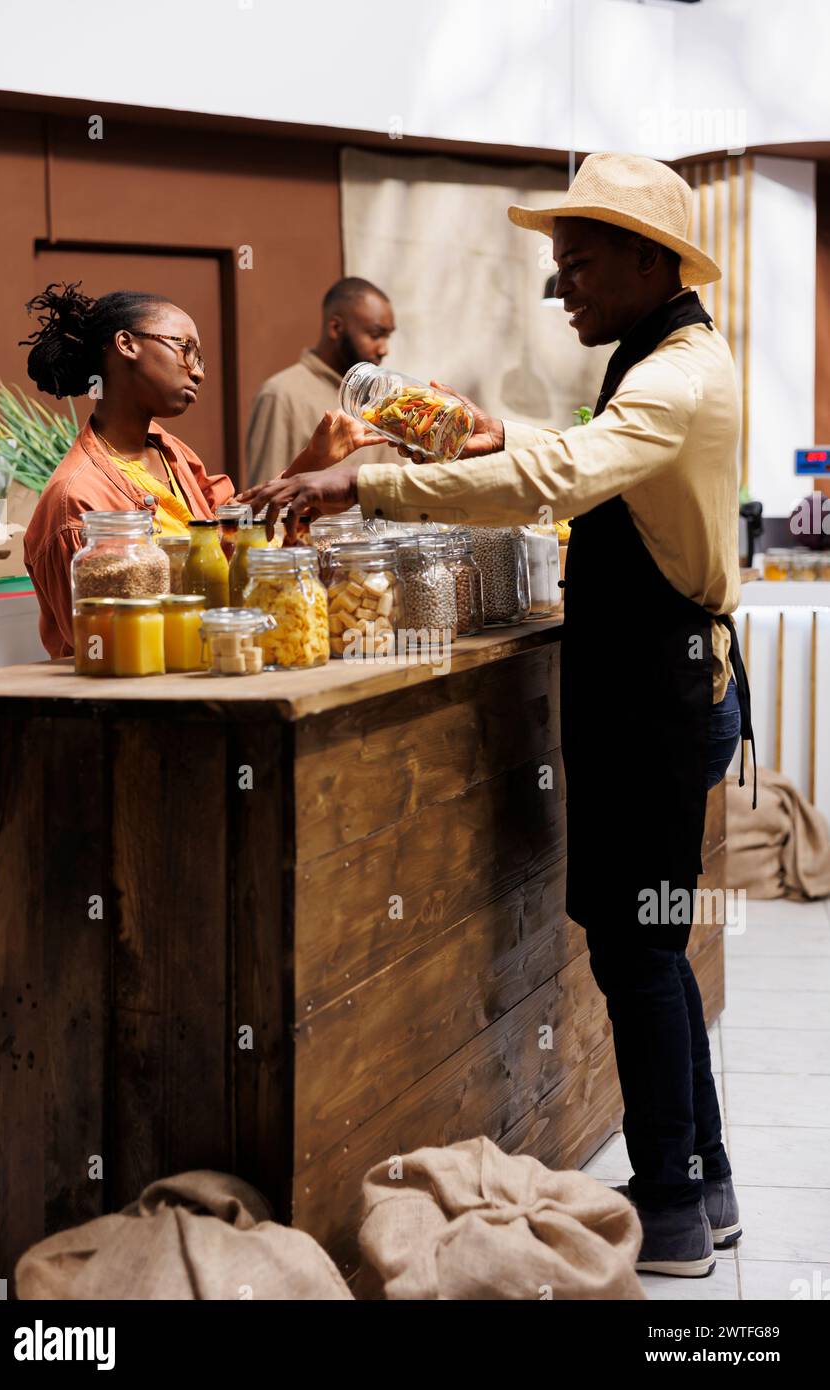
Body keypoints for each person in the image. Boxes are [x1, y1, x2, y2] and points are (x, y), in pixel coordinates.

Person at [238, 154, 756, 1279]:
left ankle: (668, 1201)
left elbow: (568, 474)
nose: (557, 287)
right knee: (649, 944)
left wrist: (366, 484)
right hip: (654, 689)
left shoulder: (674, 375)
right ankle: (698, 1181)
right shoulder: (666, 359)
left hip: (656, 697)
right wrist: (485, 434)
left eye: (575, 265)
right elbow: (573, 452)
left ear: (644, 259)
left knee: (636, 948)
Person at [21, 282, 369, 658]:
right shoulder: (76, 499)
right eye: (185, 349)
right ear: (127, 344)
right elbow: (101, 651)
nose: (198, 373)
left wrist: (313, 461)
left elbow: (226, 537)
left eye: (199, 359)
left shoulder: (167, 449)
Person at [243, 276, 396, 488]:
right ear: (335, 327)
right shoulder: (281, 394)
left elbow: (395, 486)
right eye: (375, 335)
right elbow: (264, 497)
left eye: (387, 337)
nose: (383, 349)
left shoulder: (379, 397)